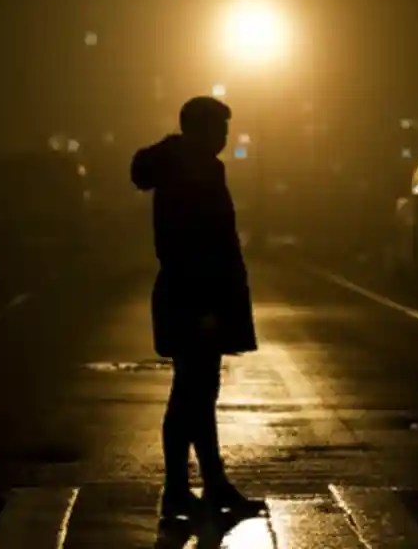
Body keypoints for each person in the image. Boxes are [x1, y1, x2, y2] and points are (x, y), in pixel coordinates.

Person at [131, 96, 260, 519]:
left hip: (190, 293)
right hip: (194, 295)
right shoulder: (192, 170)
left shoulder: (186, 165)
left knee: (200, 392)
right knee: (190, 392)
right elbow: (197, 242)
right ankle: (178, 489)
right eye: (220, 128)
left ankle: (211, 483)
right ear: (201, 129)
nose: (225, 137)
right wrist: (207, 304)